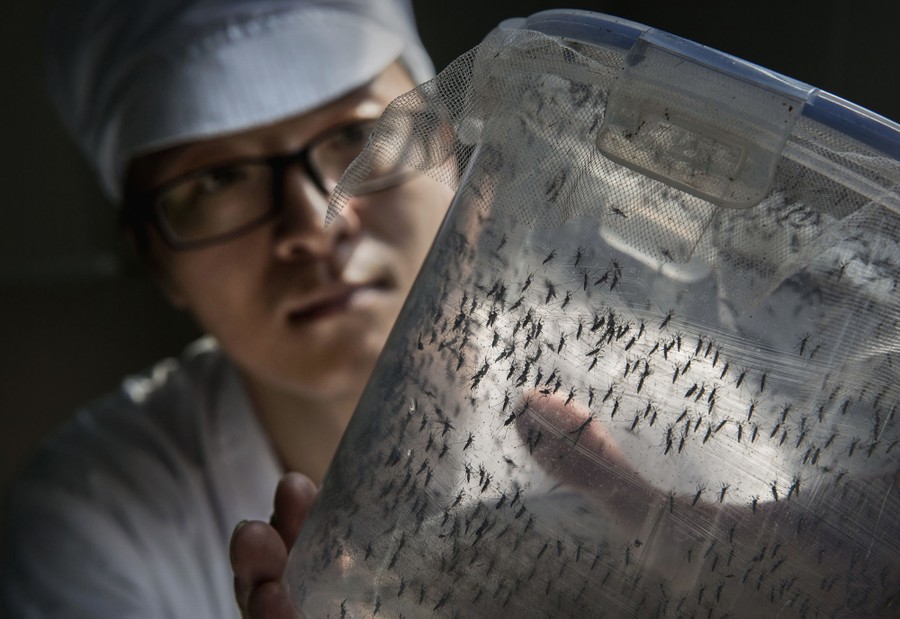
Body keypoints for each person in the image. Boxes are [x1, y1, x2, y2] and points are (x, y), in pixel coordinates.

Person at [1, 0, 454, 617]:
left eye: (357, 134)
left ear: (451, 147)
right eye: (218, 180)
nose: (316, 224)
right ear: (154, 257)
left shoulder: (624, 389)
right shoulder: (94, 526)